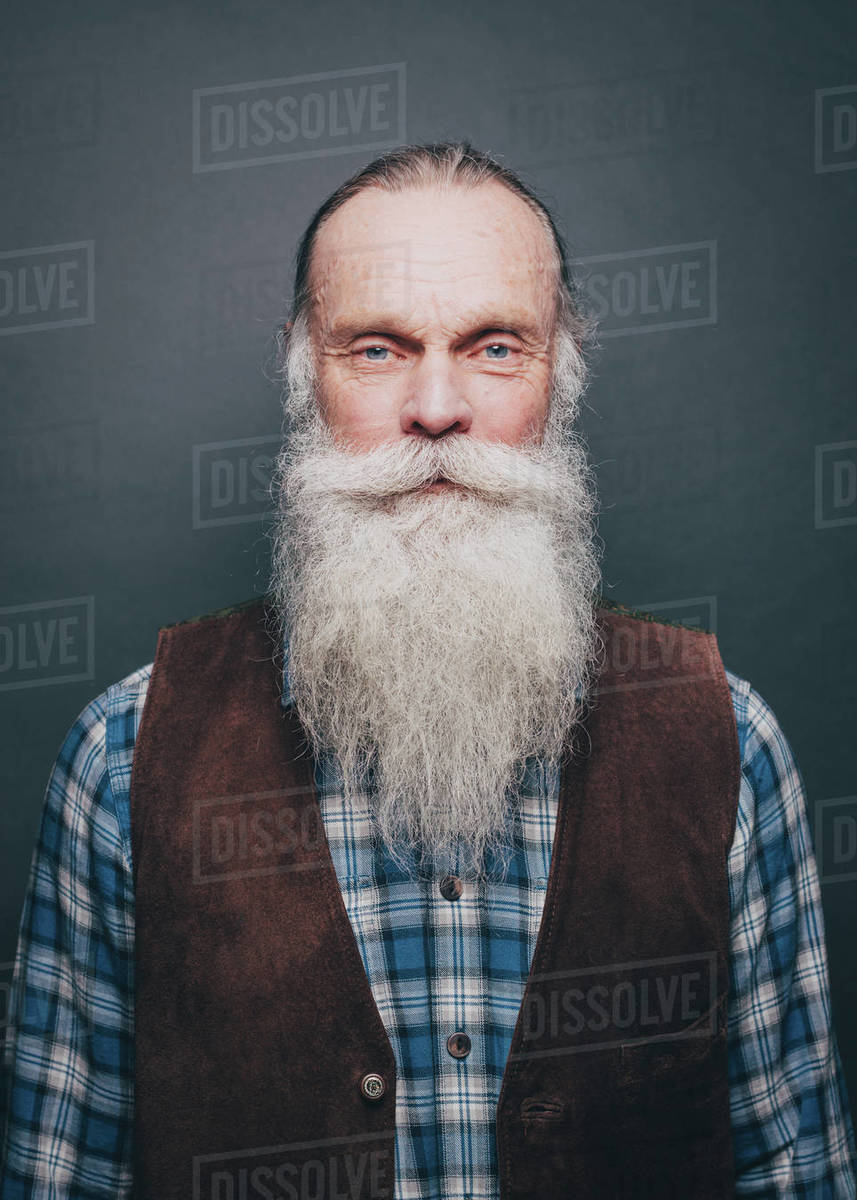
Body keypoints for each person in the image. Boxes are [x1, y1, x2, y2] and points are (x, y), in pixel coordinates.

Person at [1, 141, 854, 1198]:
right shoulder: (125, 757)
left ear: (560, 375)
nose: (438, 408)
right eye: (376, 350)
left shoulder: (728, 740)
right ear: (302, 376)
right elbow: (58, 1175)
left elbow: (796, 1170)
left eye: (495, 347)